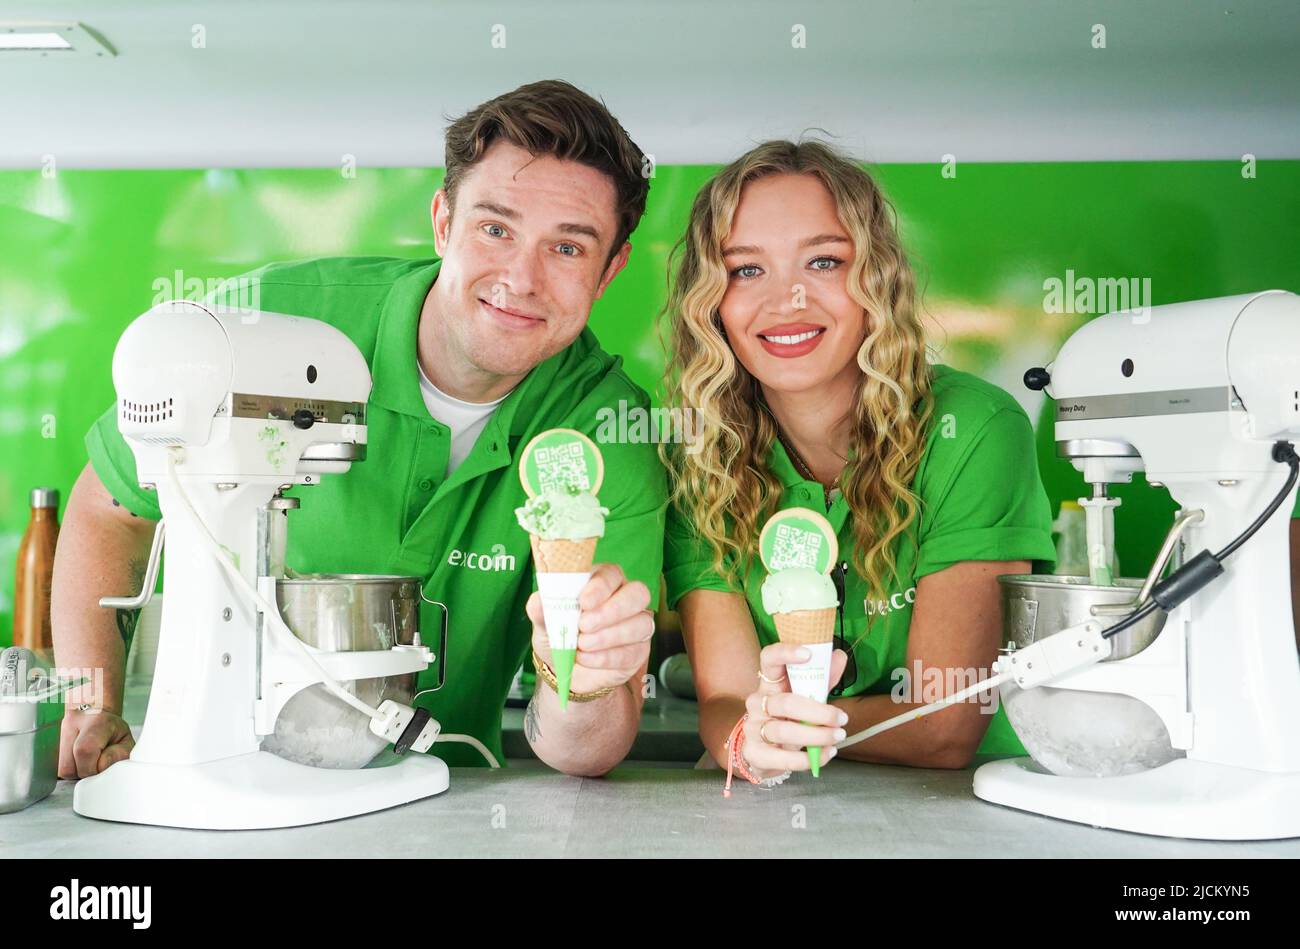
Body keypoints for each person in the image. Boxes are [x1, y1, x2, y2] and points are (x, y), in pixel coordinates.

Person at [53, 79, 666, 778]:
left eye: (568, 249)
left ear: (612, 268)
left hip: (445, 803)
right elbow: (110, 505)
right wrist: (88, 701)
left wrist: (582, 676)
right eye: (495, 229)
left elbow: (584, 750)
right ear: (442, 222)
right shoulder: (271, 323)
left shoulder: (604, 433)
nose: (520, 278)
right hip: (221, 771)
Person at [661, 140, 1056, 785]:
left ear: (877, 280)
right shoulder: (698, 456)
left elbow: (946, 725)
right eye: (746, 269)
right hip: (778, 809)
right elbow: (728, 701)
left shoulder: (976, 430)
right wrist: (748, 739)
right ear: (712, 303)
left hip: (970, 809)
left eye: (823, 262)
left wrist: (785, 728)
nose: (787, 300)